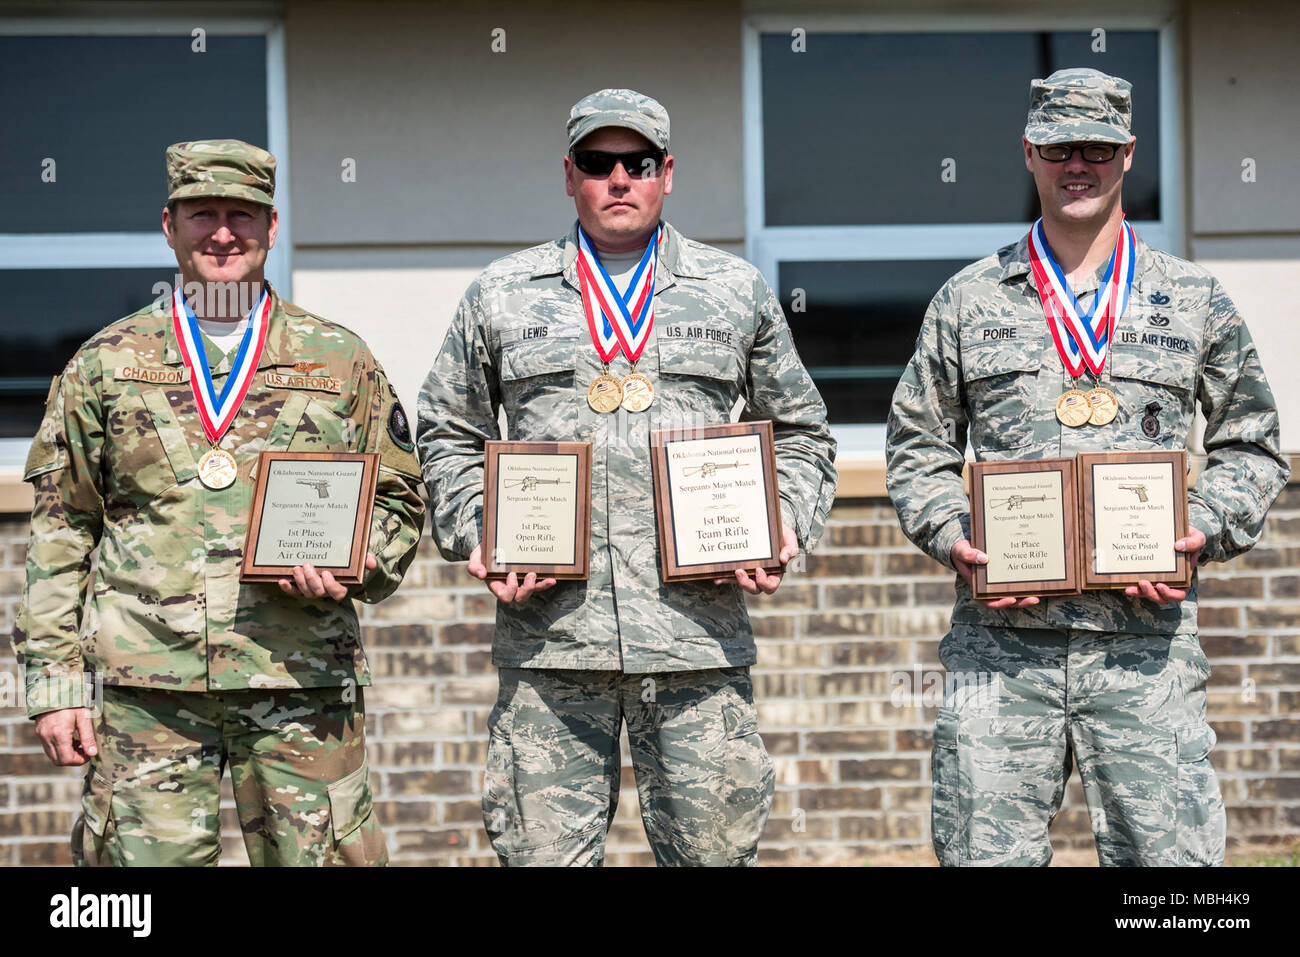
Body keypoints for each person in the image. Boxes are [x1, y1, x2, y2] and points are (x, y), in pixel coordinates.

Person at [417, 89, 837, 866]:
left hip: (695, 647)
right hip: (552, 648)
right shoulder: (503, 294)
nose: (619, 179)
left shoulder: (733, 289)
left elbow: (805, 430)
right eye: (598, 162)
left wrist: (782, 519)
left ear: (667, 173)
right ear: (569, 174)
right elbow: (446, 432)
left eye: (636, 162)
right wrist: (481, 527)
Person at [886, 68, 1288, 866]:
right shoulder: (968, 300)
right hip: (1001, 650)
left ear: (1128, 154)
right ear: (1029, 153)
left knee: (1173, 887)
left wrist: (1200, 526)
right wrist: (955, 534)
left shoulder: (1195, 298)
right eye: (1060, 146)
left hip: (1147, 651)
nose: (1080, 164)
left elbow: (1252, 439)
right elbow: (917, 446)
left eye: (1098, 147)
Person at [11, 139, 426, 866]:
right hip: (148, 691)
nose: (224, 232)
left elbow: (398, 493)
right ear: (169, 226)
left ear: (271, 226)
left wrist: (362, 560)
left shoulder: (338, 358)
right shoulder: (105, 363)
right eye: (204, 213)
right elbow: (60, 526)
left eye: (243, 214)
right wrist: (53, 683)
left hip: (298, 681)